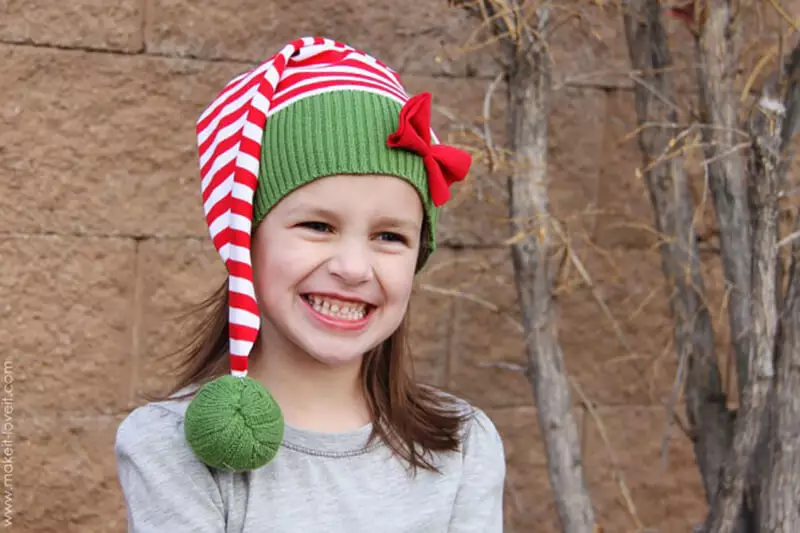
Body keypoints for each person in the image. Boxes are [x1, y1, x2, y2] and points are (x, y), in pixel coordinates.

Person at [114, 36, 506, 533]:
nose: (354, 267)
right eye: (318, 226)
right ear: (245, 240)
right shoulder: (169, 446)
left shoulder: (462, 444)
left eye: (390, 236)